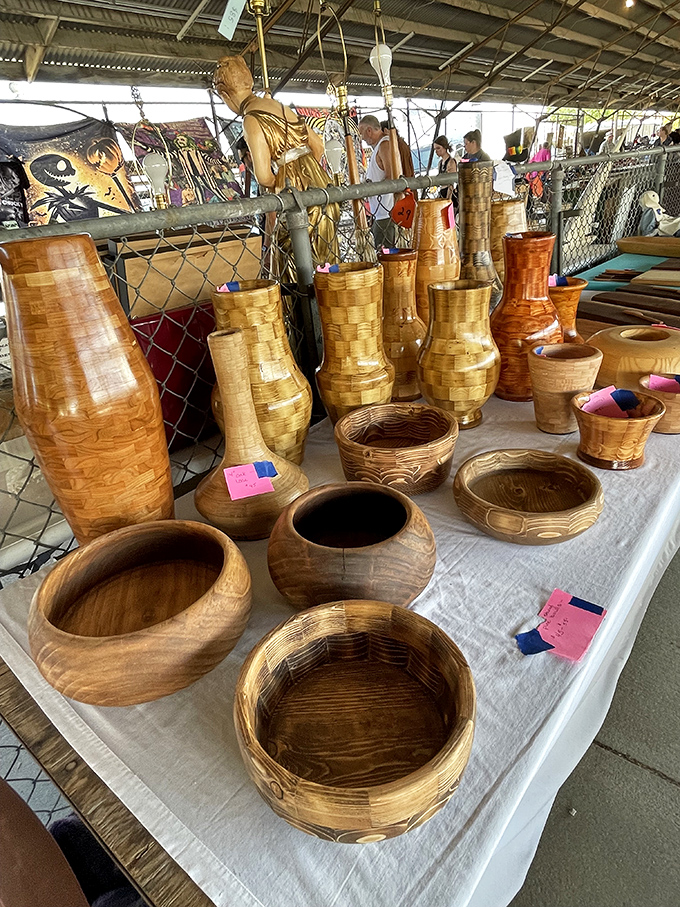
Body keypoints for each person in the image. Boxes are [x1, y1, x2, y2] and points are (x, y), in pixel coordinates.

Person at [214, 55, 339, 273]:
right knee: (328, 266)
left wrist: (284, 177)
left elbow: (263, 176)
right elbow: (318, 146)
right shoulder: (279, 107)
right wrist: (309, 171)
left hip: (293, 195)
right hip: (322, 188)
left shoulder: (251, 119)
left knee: (295, 266)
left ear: (225, 95)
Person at [358, 114, 397, 248]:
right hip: (381, 212)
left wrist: (372, 188)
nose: (362, 138)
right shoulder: (380, 146)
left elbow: (391, 176)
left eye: (362, 133)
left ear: (369, 131)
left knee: (384, 253)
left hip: (385, 212)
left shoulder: (384, 145)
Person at [433, 135, 457, 201]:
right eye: (435, 149)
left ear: (444, 147)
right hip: (442, 192)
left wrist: (448, 199)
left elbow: (451, 183)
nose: (436, 151)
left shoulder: (451, 162)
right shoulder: (440, 163)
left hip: (449, 193)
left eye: (438, 148)